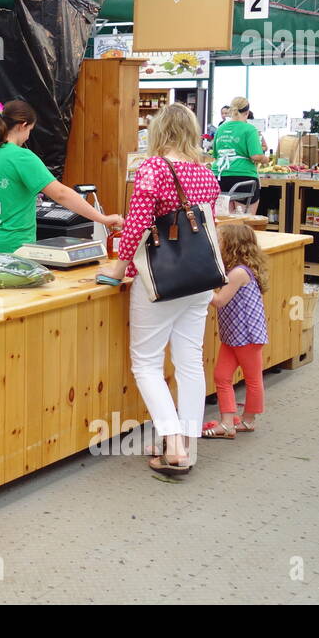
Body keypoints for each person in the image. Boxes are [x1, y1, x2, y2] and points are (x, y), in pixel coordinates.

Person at [96, 103, 221, 475]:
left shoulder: (152, 169)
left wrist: (118, 268)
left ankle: (172, 444)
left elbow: (137, 224)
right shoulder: (204, 171)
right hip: (199, 277)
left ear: (159, 132)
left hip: (162, 280)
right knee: (190, 361)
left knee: (147, 363)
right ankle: (189, 443)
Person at [0, 100, 122, 255]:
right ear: (23, 125)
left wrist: (0, 213)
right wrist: (103, 218)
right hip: (16, 250)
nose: (27, 137)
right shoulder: (22, 157)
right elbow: (61, 194)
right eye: (30, 130)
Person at [203, 221, 270, 439]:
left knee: (252, 378)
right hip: (234, 335)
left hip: (247, 335)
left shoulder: (238, 273)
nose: (216, 243)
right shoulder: (236, 269)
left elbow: (220, 300)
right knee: (221, 376)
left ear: (231, 244)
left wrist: (199, 290)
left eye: (220, 240)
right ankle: (227, 422)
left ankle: (248, 419)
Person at [213, 97, 267, 214]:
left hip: (219, 176)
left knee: (224, 219)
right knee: (244, 221)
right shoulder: (250, 129)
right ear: (247, 112)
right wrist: (265, 159)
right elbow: (256, 156)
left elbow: (216, 154)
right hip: (243, 177)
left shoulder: (221, 128)